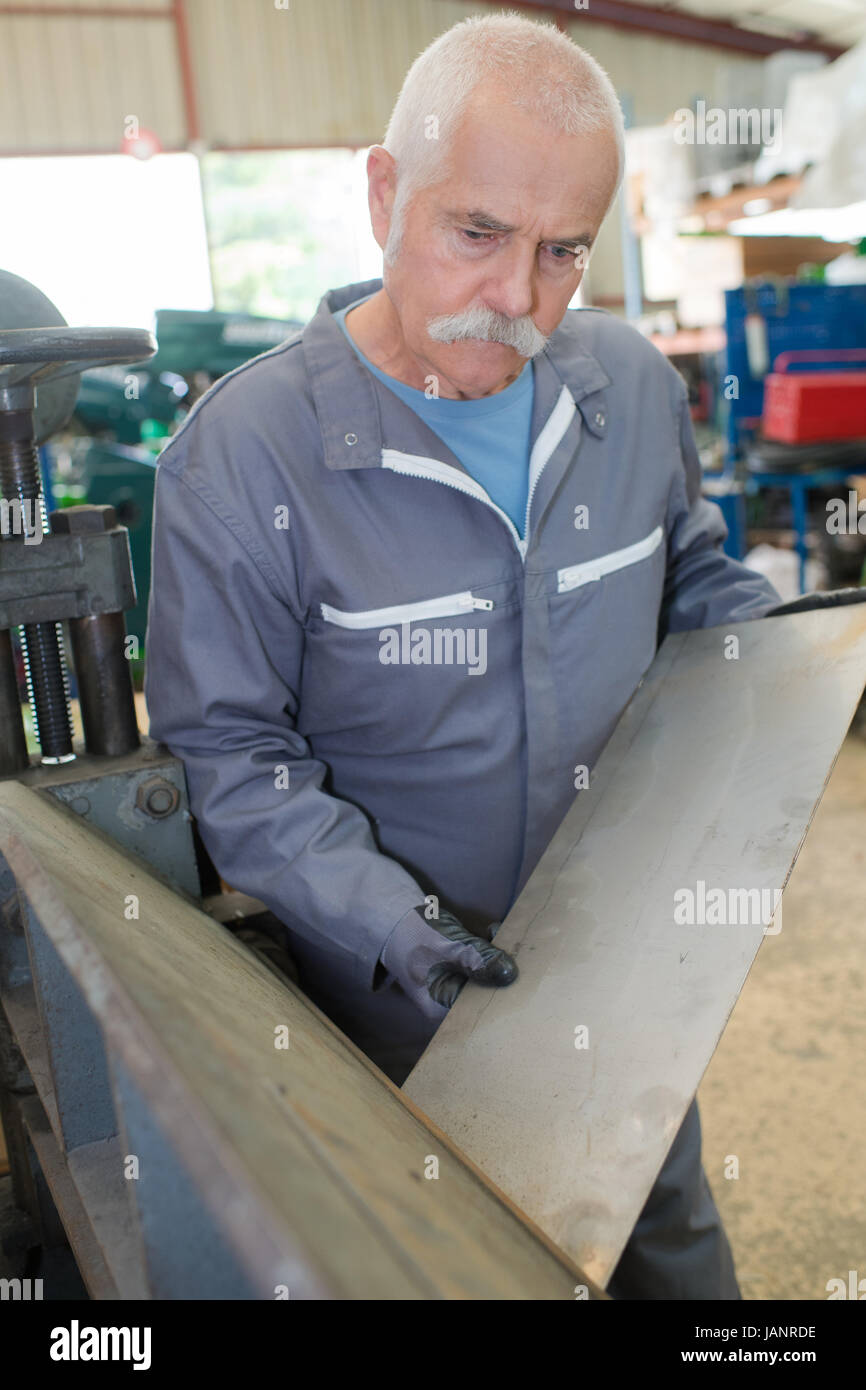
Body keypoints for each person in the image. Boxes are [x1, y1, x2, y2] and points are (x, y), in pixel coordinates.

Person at [145, 12, 780, 1298]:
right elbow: (231, 751)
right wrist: (405, 929)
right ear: (384, 191)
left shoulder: (630, 391)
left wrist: (804, 647)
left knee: (668, 1249)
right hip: (394, 1028)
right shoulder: (242, 456)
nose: (515, 300)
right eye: (474, 234)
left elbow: (695, 581)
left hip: (624, 982)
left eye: (561, 253)